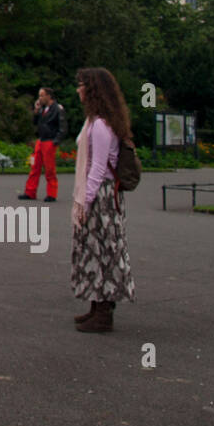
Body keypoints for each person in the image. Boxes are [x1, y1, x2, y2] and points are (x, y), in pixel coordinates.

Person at [71, 67, 135, 332]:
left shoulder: (99, 125)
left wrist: (85, 202)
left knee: (104, 251)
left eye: (82, 85)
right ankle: (97, 306)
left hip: (102, 196)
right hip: (103, 193)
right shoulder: (99, 120)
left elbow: (97, 168)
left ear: (92, 90)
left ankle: (104, 312)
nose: (78, 90)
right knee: (96, 251)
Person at [19, 87, 66, 202]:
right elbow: (34, 122)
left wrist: (55, 141)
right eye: (39, 95)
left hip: (49, 141)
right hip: (40, 140)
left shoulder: (58, 109)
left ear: (49, 96)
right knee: (35, 167)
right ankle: (30, 192)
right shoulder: (42, 109)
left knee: (49, 169)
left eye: (42, 95)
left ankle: (51, 193)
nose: (40, 98)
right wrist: (36, 110)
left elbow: (63, 128)